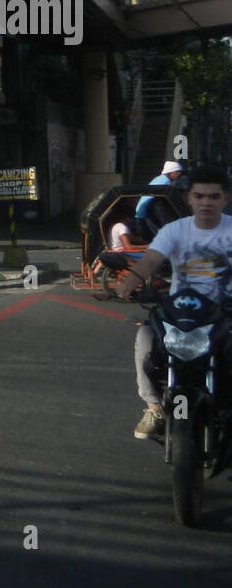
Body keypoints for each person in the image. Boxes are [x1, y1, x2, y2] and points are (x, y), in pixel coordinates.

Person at [115, 165, 232, 440]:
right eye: (199, 196)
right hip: (182, 312)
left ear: (224, 199)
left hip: (225, 313)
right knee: (145, 336)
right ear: (189, 199)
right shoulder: (174, 231)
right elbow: (152, 259)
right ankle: (154, 407)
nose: (206, 202)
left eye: (213, 196)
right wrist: (131, 280)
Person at [133, 160, 185, 242]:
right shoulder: (166, 183)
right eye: (178, 172)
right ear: (171, 173)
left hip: (143, 214)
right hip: (146, 215)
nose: (180, 174)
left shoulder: (159, 179)